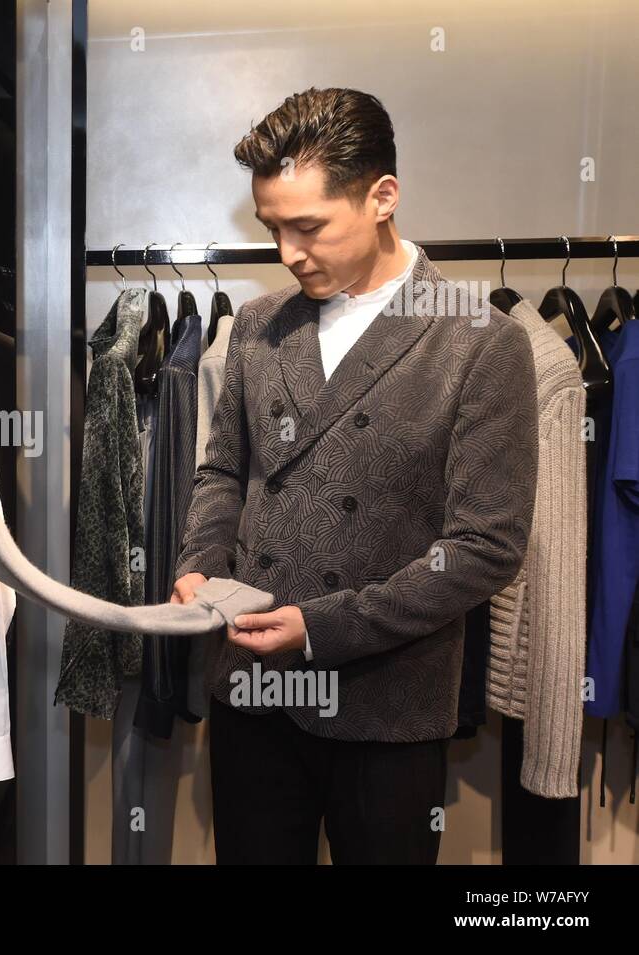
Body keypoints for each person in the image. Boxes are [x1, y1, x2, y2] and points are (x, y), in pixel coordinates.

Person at [170, 87, 538, 864]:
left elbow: (485, 546)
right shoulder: (258, 326)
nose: (289, 252)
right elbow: (223, 470)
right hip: (254, 692)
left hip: (386, 706)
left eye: (308, 226)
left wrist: (324, 627)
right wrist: (201, 567)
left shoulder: (479, 342)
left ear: (382, 197)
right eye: (274, 228)